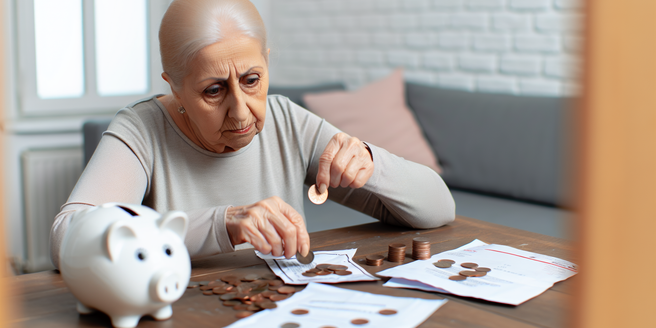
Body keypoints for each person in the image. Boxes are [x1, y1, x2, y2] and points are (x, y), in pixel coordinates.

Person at [49, 0, 455, 269]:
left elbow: (439, 209)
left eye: (251, 79)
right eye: (213, 90)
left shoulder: (286, 121)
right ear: (175, 89)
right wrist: (225, 224)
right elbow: (69, 237)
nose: (241, 112)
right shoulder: (141, 130)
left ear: (266, 64)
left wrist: (371, 160)